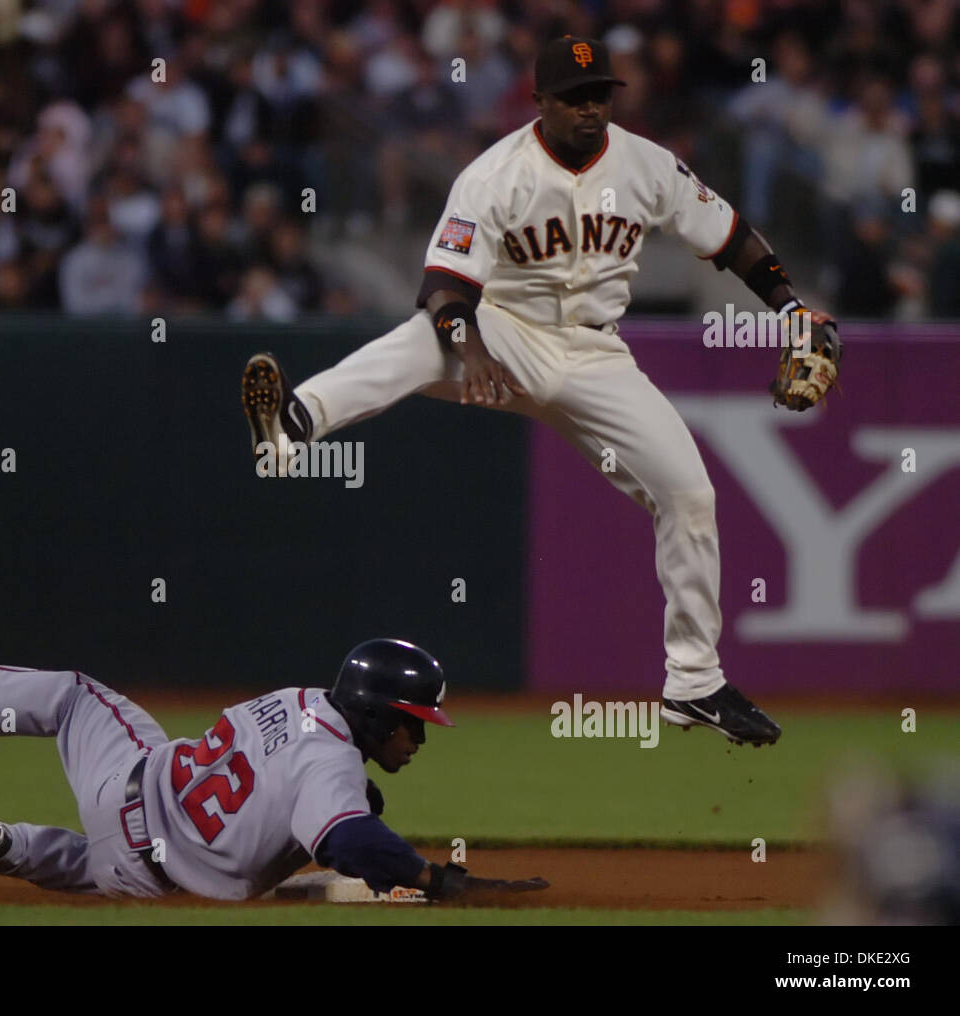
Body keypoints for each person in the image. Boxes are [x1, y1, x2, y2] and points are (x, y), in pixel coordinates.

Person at [241, 36, 841, 748]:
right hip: (504, 328)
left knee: (689, 495)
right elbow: (443, 287)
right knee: (416, 341)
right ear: (541, 103)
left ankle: (695, 683)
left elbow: (731, 236)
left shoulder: (647, 164)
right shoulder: (496, 175)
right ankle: (293, 427)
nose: (592, 110)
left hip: (597, 354)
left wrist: (791, 308)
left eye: (601, 96)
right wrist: (473, 346)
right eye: (576, 98)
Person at [0, 615, 548, 901]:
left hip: (123, 788)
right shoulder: (330, 768)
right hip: (153, 881)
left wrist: (358, 823)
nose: (417, 738)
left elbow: (331, 813)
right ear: (372, 713)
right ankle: (9, 847)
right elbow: (350, 838)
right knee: (101, 873)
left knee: (70, 697)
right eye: (410, 723)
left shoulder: (299, 699)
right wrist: (433, 877)